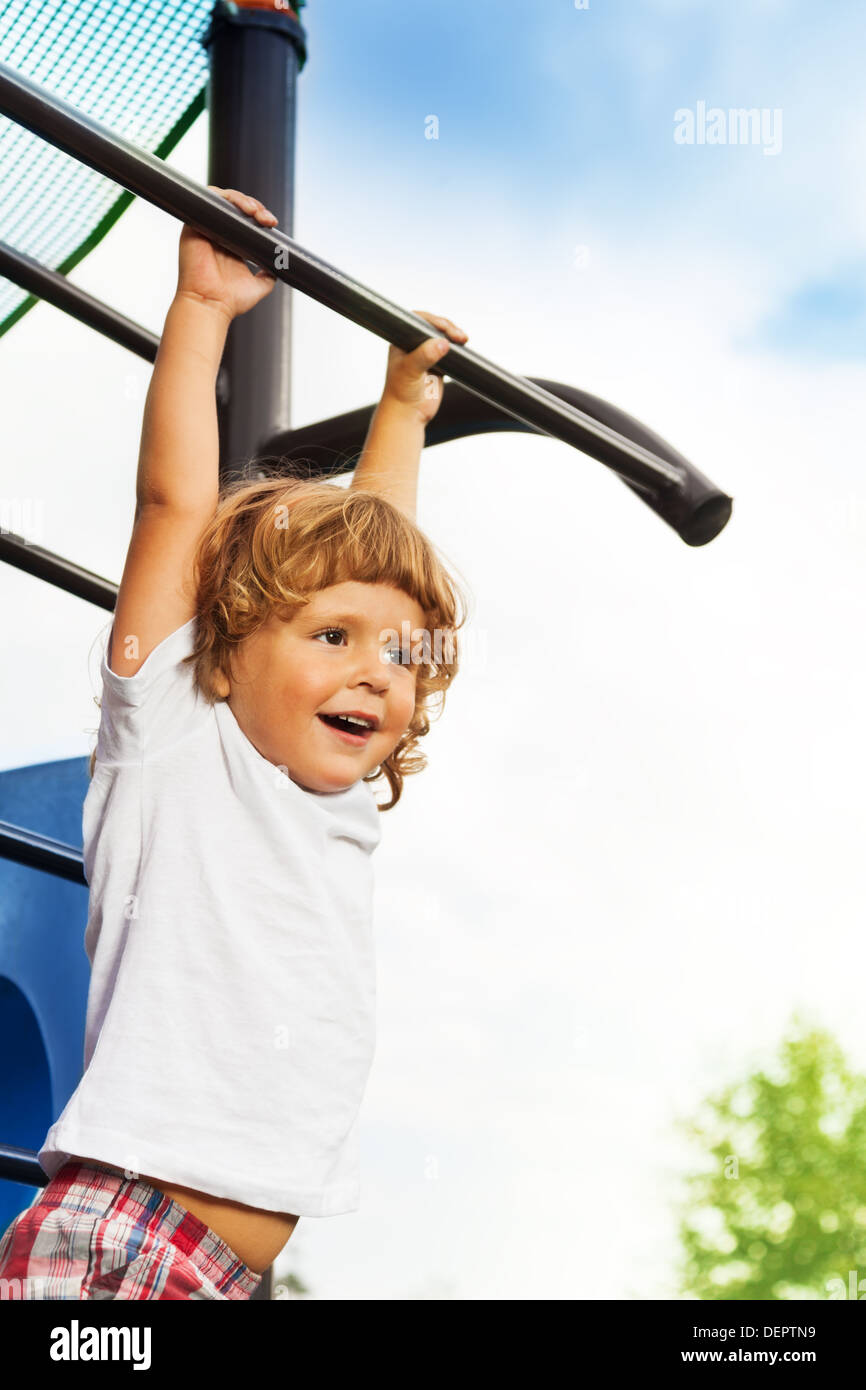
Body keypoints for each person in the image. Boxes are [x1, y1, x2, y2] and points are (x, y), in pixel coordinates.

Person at [0, 187, 469, 1300]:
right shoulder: (177, 731)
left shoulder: (333, 803)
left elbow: (379, 556)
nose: (374, 667)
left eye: (399, 657)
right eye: (332, 637)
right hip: (122, 1237)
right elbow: (171, 506)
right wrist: (203, 308)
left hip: (216, 1269)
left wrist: (401, 409)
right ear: (228, 645)